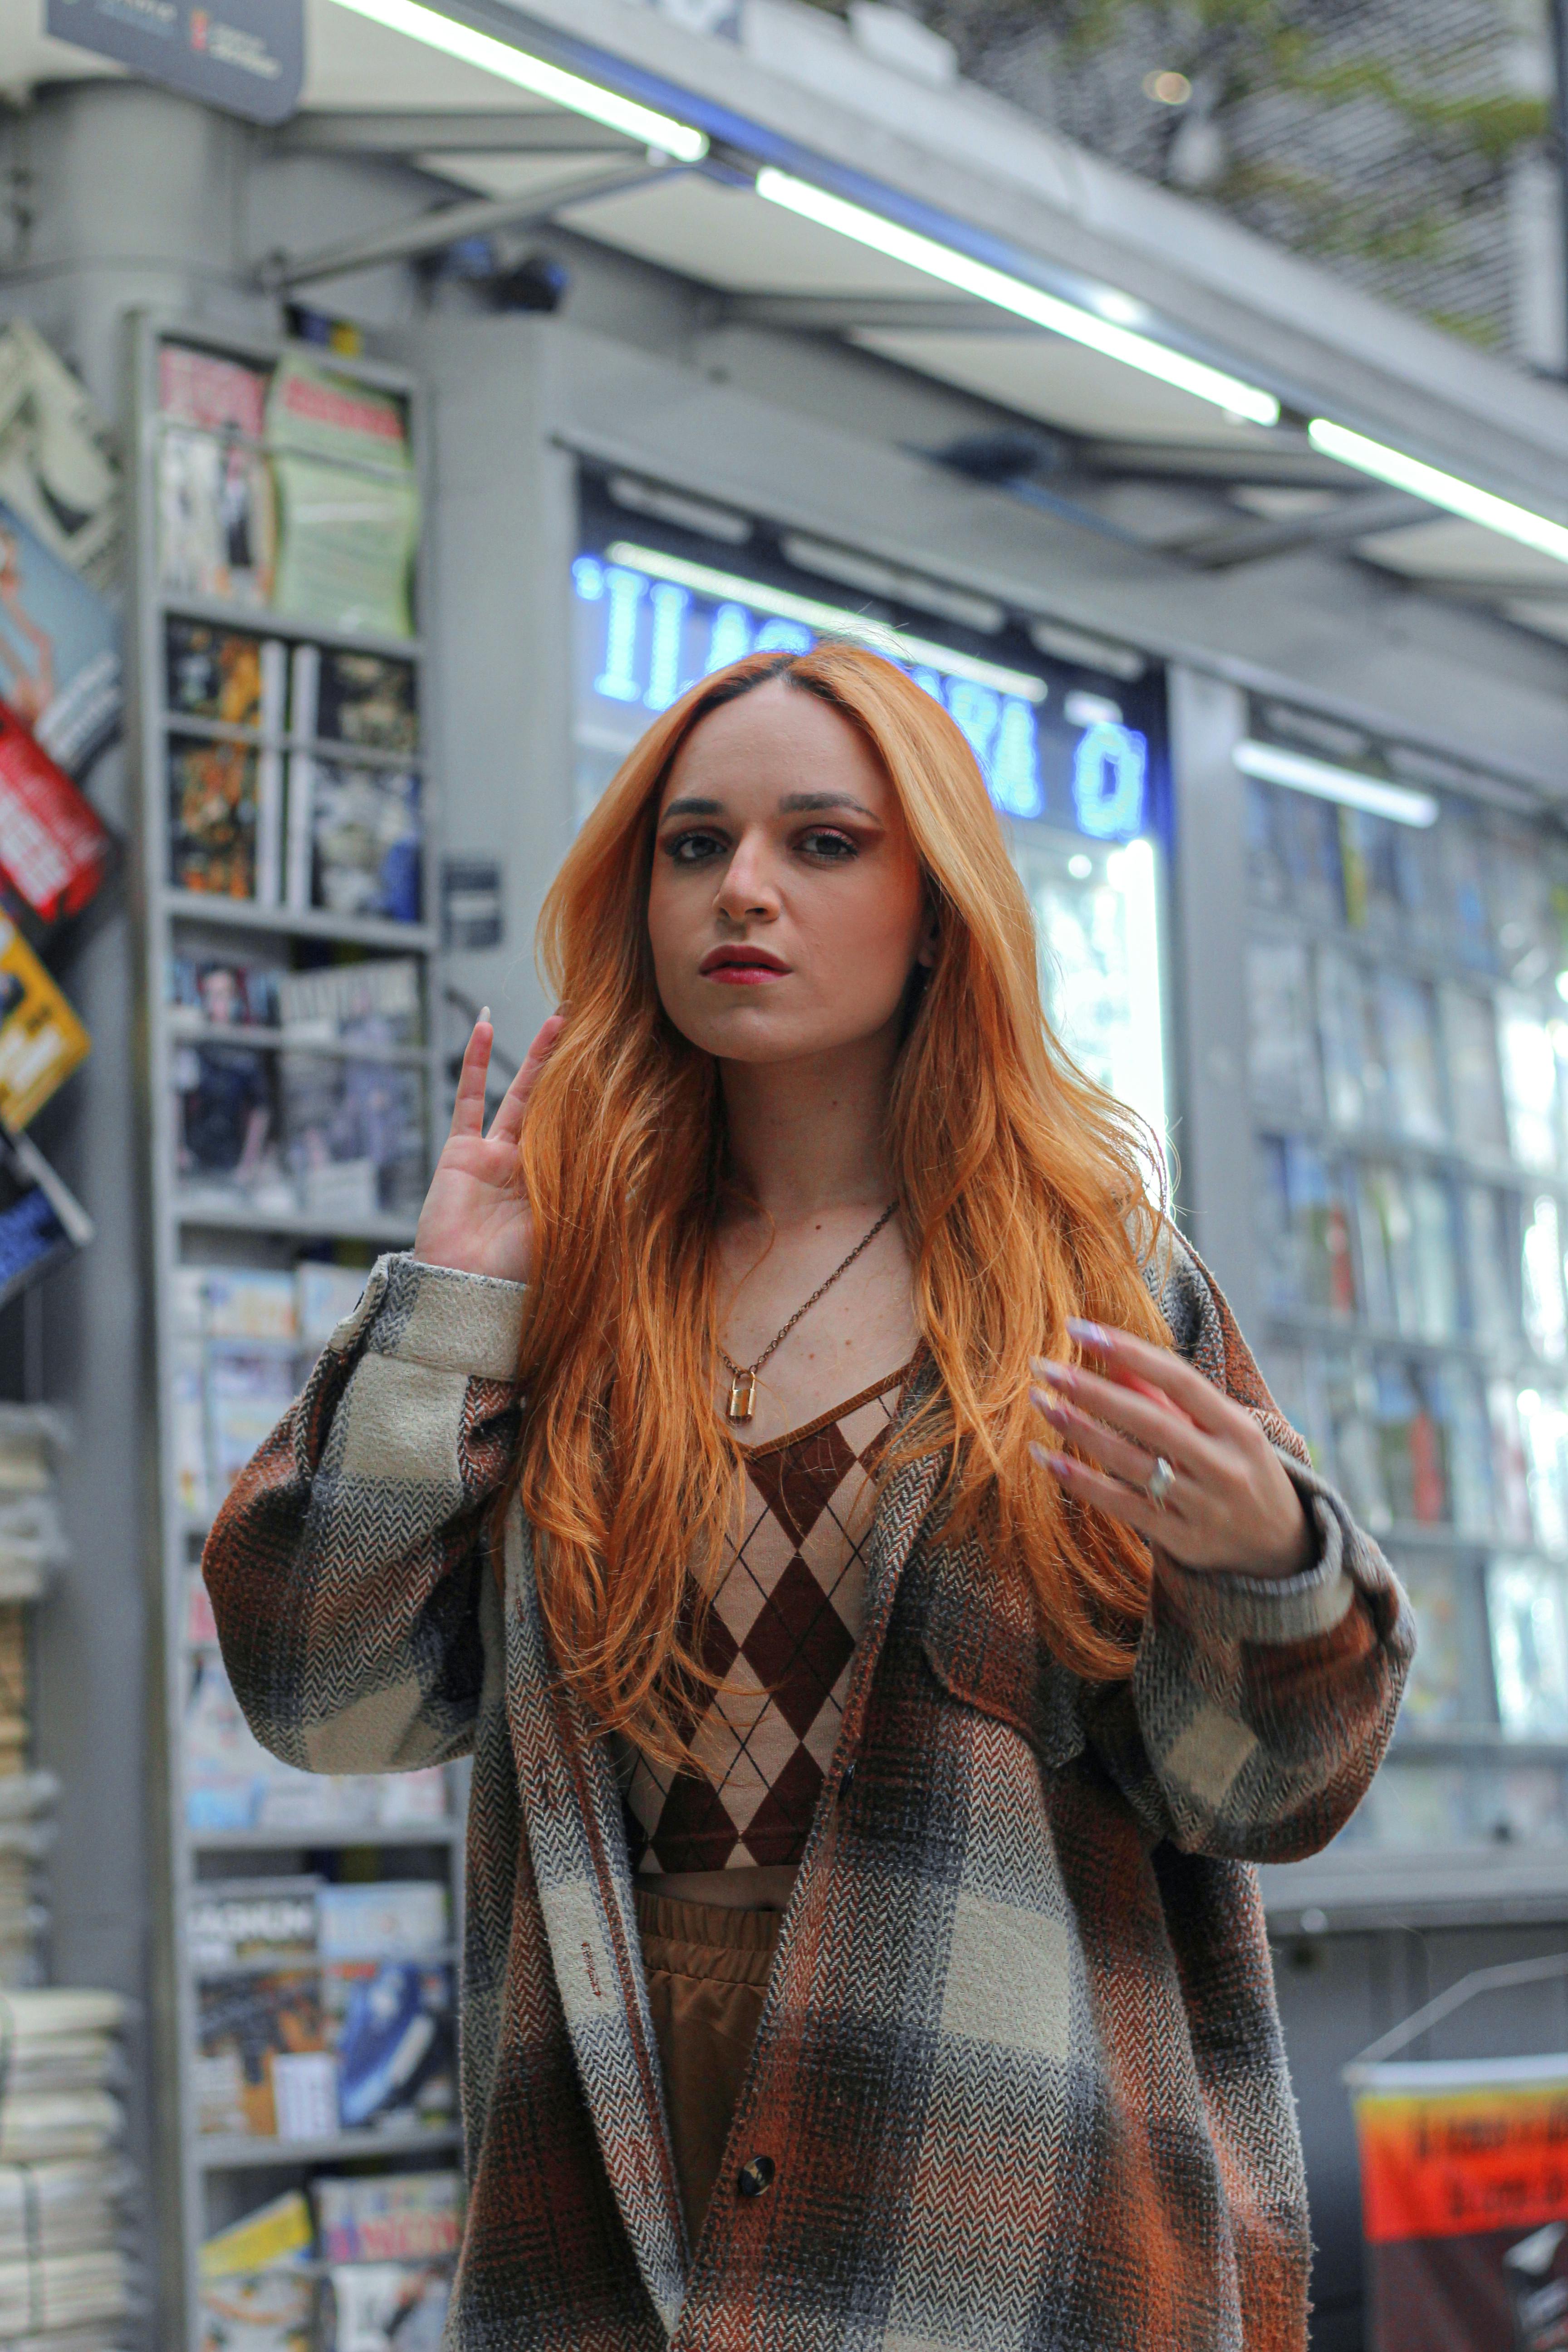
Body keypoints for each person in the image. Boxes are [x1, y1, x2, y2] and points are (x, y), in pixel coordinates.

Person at [205, 644, 1411, 2351]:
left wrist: (1270, 1570)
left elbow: (1257, 1796)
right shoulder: (574, 1290)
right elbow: (331, 1701)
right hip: (613, 2142)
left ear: (938, 906)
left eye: (822, 842)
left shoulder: (1092, 1284)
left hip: (993, 2156)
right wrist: (453, 1303)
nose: (742, 889)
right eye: (693, 846)